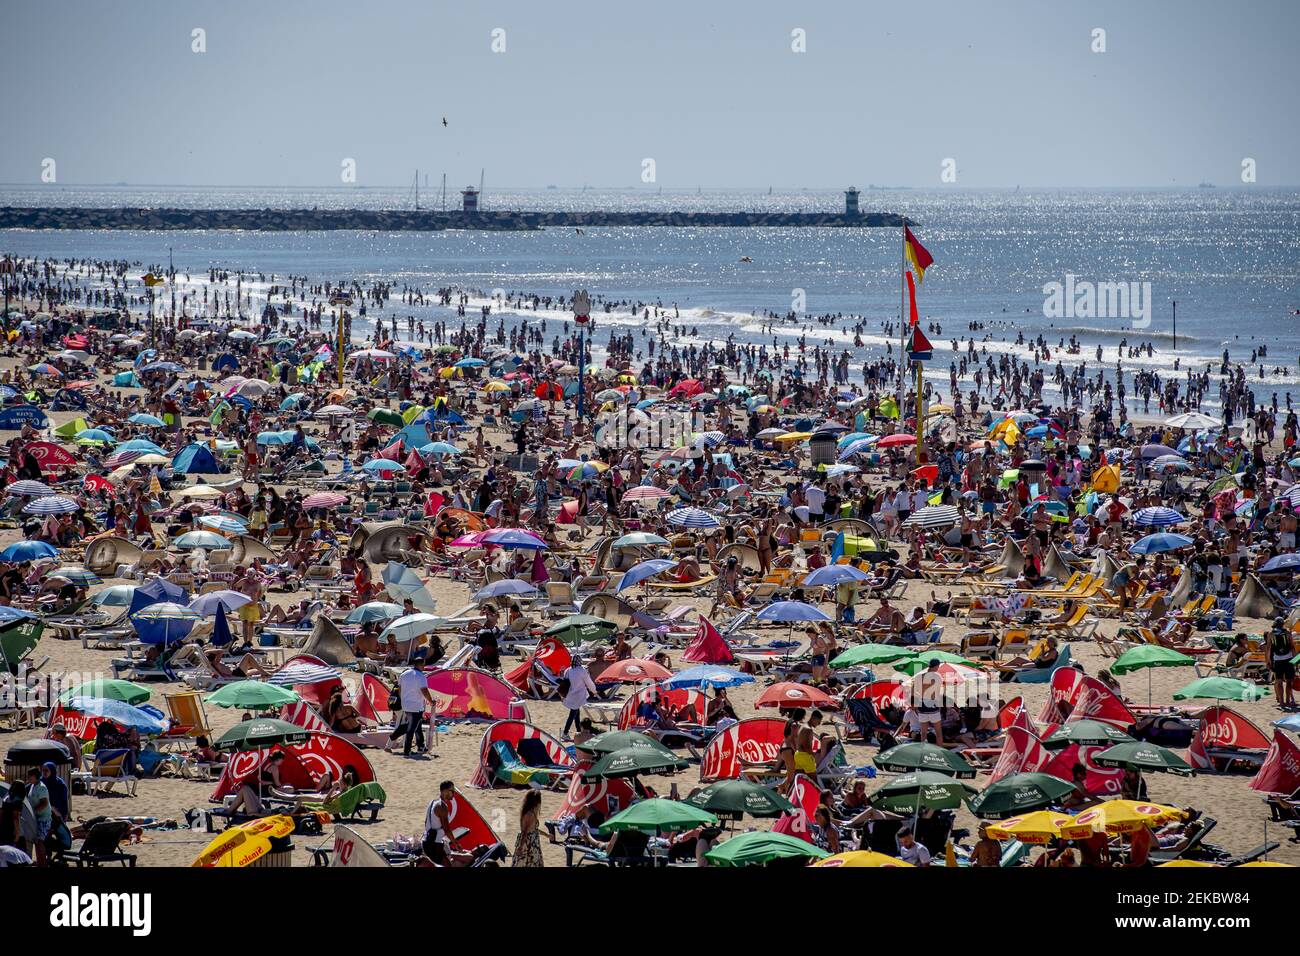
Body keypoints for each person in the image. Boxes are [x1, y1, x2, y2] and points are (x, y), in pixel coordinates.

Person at [386, 660, 434, 756]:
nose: (424, 666)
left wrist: (404, 699)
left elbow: (399, 689)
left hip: (406, 705)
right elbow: (424, 690)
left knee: (416, 726)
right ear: (420, 665)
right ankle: (406, 750)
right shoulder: (420, 676)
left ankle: (421, 746)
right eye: (423, 664)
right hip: (416, 706)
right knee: (410, 728)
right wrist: (431, 701)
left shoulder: (404, 674)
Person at [422, 780, 474, 866]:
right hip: (434, 845)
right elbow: (446, 829)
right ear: (445, 791)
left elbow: (426, 823)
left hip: (427, 841)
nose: (453, 793)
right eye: (452, 791)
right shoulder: (443, 807)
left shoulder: (432, 803)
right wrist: (456, 843)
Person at [561, 655, 598, 739]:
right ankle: (565, 733)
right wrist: (594, 691)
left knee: (576, 713)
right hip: (579, 696)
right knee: (573, 714)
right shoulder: (582, 671)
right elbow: (589, 682)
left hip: (570, 695)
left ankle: (578, 730)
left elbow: (565, 683)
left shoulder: (568, 670)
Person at [1268, 617, 1296, 709]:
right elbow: (1292, 647)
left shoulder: (1271, 634)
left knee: (1279, 682)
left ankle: (1281, 702)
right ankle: (1288, 701)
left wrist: (1268, 661)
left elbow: (1269, 649)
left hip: (1278, 660)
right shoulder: (1287, 633)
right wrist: (1295, 660)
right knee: (1289, 682)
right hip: (1288, 659)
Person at [512, 790, 544, 867]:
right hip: (528, 843)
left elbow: (534, 829)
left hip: (533, 842)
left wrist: (547, 835)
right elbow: (525, 832)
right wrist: (521, 846)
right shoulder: (529, 814)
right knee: (524, 862)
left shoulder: (532, 812)